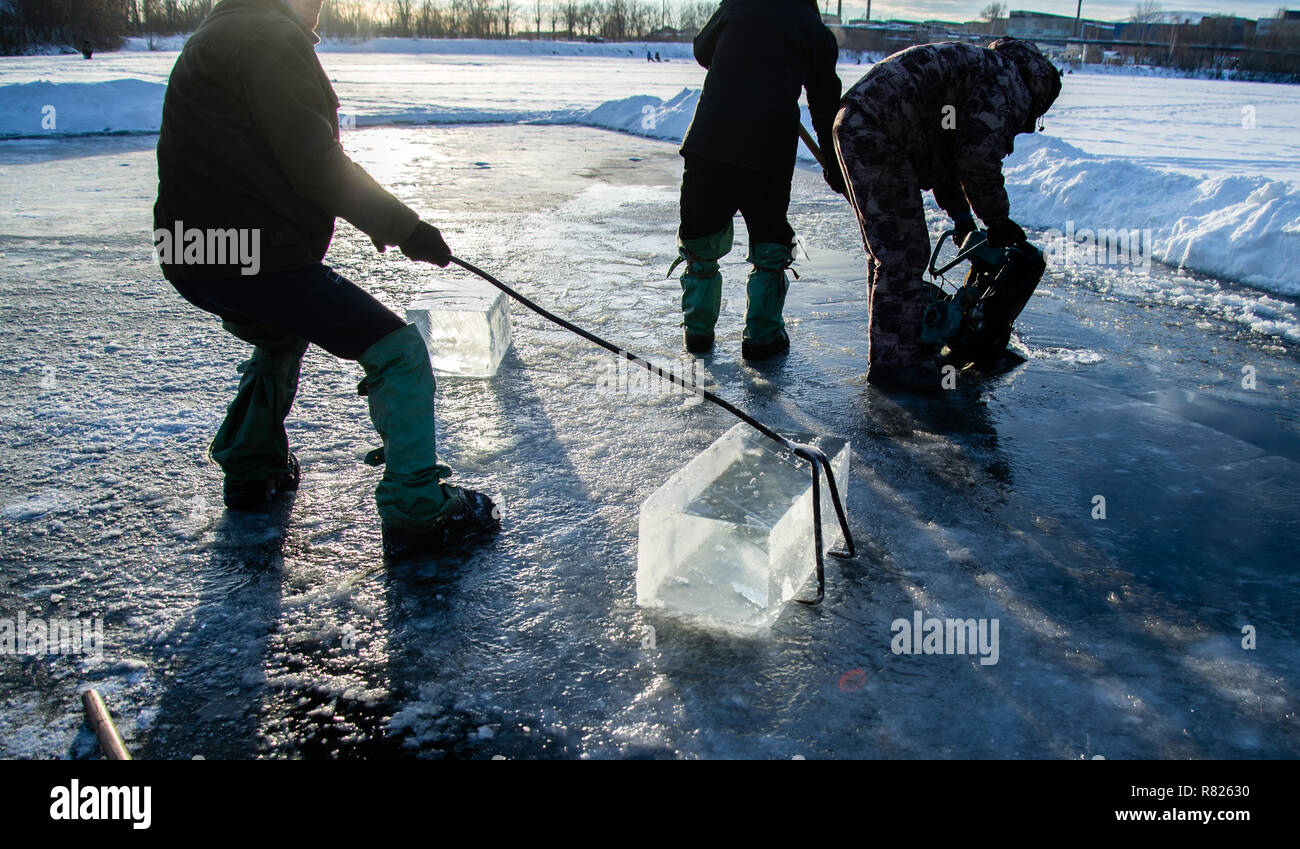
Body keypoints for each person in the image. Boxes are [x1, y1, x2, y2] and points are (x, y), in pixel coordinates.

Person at [153, 0, 499, 557]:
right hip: (258, 254)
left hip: (190, 252)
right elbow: (316, 161)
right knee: (398, 351)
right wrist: (405, 227)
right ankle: (417, 511)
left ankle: (252, 468)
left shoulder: (212, 35)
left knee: (278, 331)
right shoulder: (268, 37)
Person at [832, 37, 1061, 391]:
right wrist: (998, 222)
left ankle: (898, 347)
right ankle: (894, 367)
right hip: (880, 129)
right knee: (902, 255)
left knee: (888, 255)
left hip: (861, 121)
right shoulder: (1009, 84)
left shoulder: (983, 69)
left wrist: (963, 219)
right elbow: (976, 159)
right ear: (1041, 92)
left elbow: (947, 156)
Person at [673, 0, 844, 361]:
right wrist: (834, 162)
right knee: (769, 242)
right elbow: (826, 105)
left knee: (700, 240)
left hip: (710, 143)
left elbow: (703, 51)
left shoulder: (738, 4)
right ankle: (762, 337)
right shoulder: (815, 31)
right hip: (767, 153)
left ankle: (698, 332)